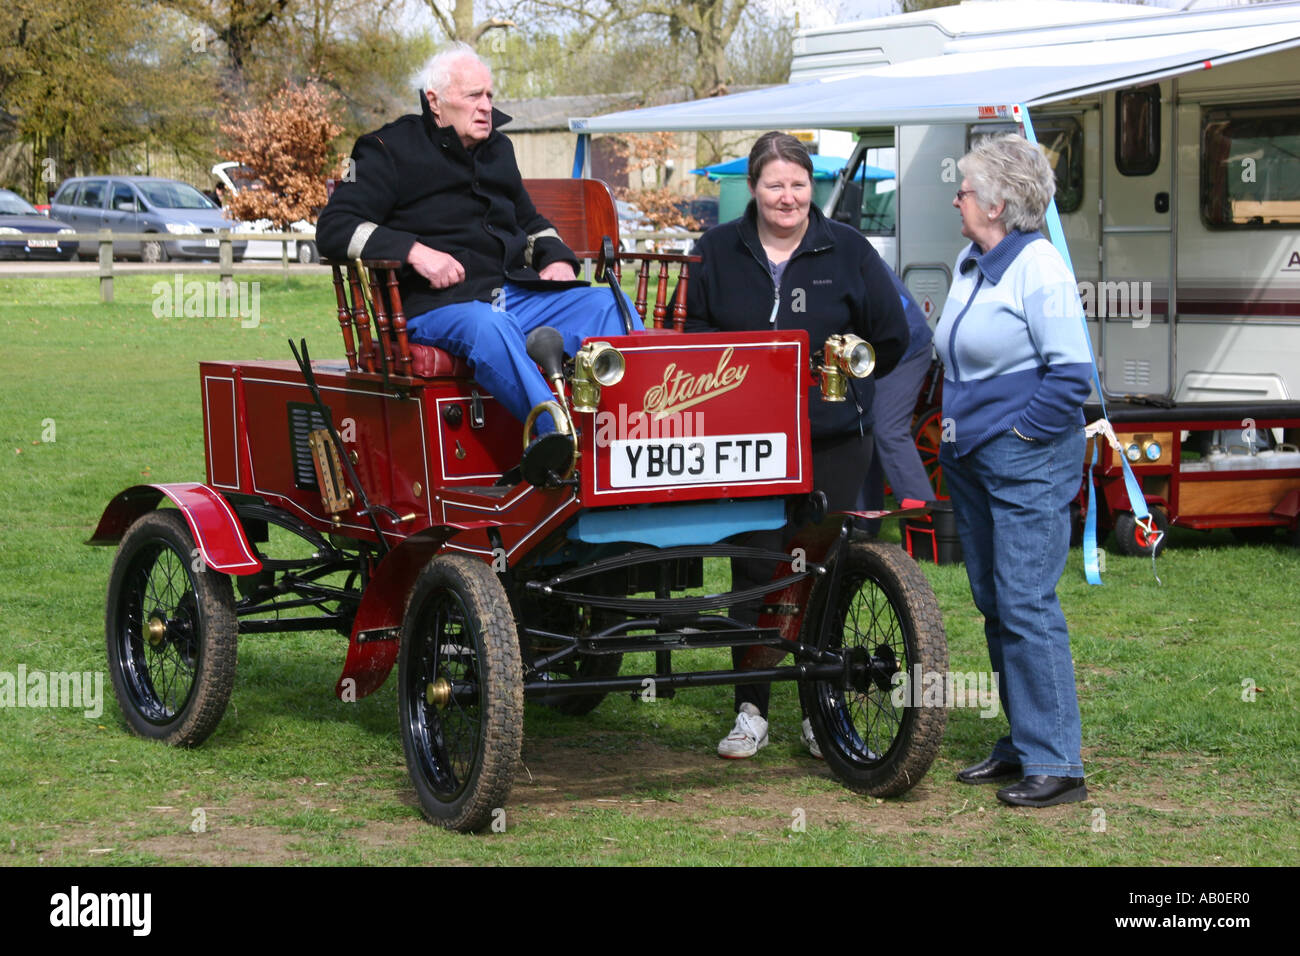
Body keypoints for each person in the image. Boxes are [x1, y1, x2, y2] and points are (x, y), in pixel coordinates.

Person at [316, 43, 639, 482]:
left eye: (489, 95)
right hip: (438, 306)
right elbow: (333, 227)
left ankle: (638, 433)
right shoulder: (383, 149)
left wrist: (557, 258)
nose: (486, 106)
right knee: (490, 325)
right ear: (434, 100)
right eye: (473, 96)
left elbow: (529, 221)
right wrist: (415, 251)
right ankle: (558, 444)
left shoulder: (497, 150)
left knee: (606, 306)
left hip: (514, 292)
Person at [685, 131, 910, 759]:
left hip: (834, 439)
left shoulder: (849, 248)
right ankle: (750, 707)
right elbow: (693, 334)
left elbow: (890, 336)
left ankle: (820, 708)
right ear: (753, 189)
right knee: (755, 568)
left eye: (798, 184)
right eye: (774, 185)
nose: (788, 197)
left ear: (813, 187)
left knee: (825, 569)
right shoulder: (714, 251)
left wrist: (853, 385)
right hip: (746, 440)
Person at [936, 133, 1092, 807]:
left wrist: (1020, 436)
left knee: (1026, 602)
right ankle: (1024, 741)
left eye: (965, 190)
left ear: (998, 204)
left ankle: (1058, 762)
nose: (956, 198)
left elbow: (1071, 378)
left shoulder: (1040, 269)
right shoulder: (971, 262)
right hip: (971, 457)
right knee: (996, 602)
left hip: (1023, 458)